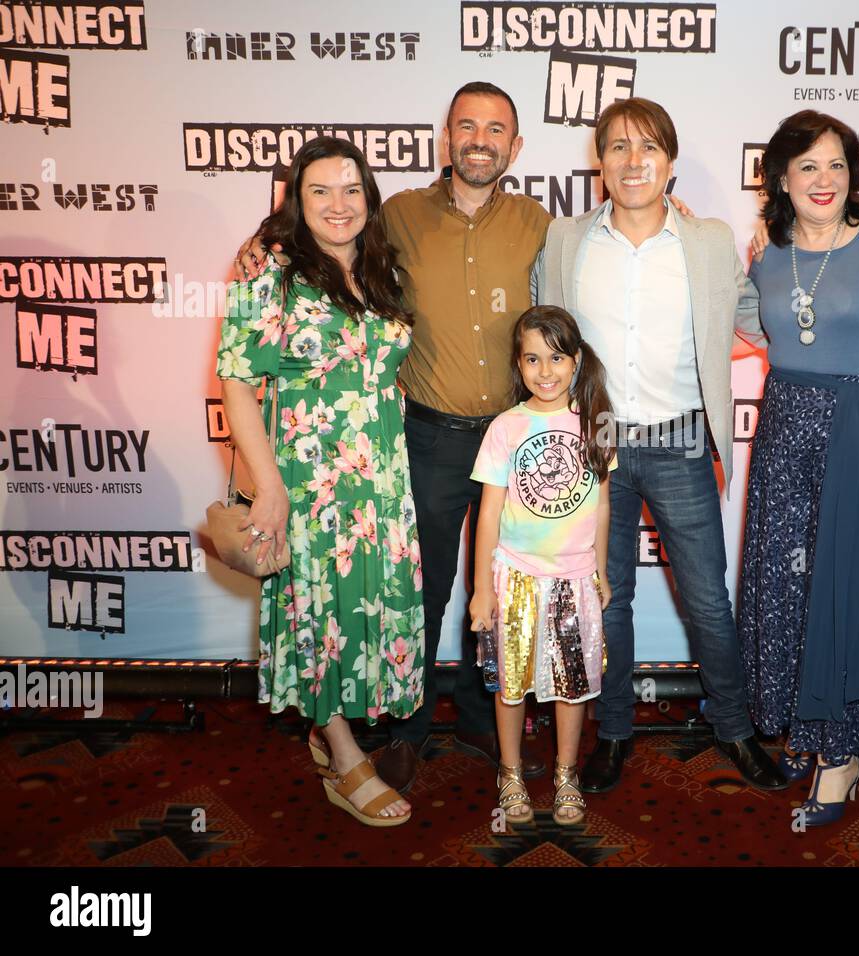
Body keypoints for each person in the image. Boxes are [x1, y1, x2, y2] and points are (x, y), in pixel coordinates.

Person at [238, 83, 552, 791]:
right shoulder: (398, 215)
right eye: (466, 126)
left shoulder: (539, 221)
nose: (480, 139)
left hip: (510, 438)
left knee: (505, 586)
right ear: (446, 139)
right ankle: (405, 726)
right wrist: (266, 239)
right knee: (422, 589)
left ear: (516, 145)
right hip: (427, 437)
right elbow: (318, 241)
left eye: (495, 129)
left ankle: (482, 709)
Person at [533, 97, 787, 793]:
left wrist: (790, 281)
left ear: (670, 162)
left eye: (648, 147)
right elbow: (539, 327)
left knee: (707, 599)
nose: (632, 161)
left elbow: (752, 317)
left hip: (679, 442)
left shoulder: (706, 241)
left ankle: (734, 730)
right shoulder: (565, 240)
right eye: (617, 147)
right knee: (606, 603)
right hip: (597, 448)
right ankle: (613, 735)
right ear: (599, 161)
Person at [216, 136, 422, 826]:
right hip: (308, 482)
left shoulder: (379, 264)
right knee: (319, 614)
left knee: (358, 611)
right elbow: (238, 383)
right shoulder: (267, 269)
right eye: (319, 192)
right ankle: (342, 753)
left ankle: (327, 729)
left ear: (369, 196)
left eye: (351, 190)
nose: (338, 206)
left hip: (381, 479)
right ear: (295, 200)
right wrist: (268, 487)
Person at [737, 111, 859, 826]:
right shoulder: (766, 253)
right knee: (790, 583)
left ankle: (841, 752)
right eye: (807, 165)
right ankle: (807, 731)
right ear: (781, 176)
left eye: (837, 164)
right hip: (786, 429)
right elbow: (753, 326)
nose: (824, 179)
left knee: (850, 587)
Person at [467, 306, 615, 827]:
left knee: (572, 685)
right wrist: (482, 589)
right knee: (511, 684)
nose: (545, 371)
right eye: (533, 359)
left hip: (574, 580)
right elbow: (487, 515)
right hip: (515, 578)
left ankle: (566, 774)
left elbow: (601, 503)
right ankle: (509, 774)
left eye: (556, 357)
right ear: (518, 363)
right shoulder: (507, 427)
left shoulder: (596, 421)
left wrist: (600, 569)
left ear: (576, 361)